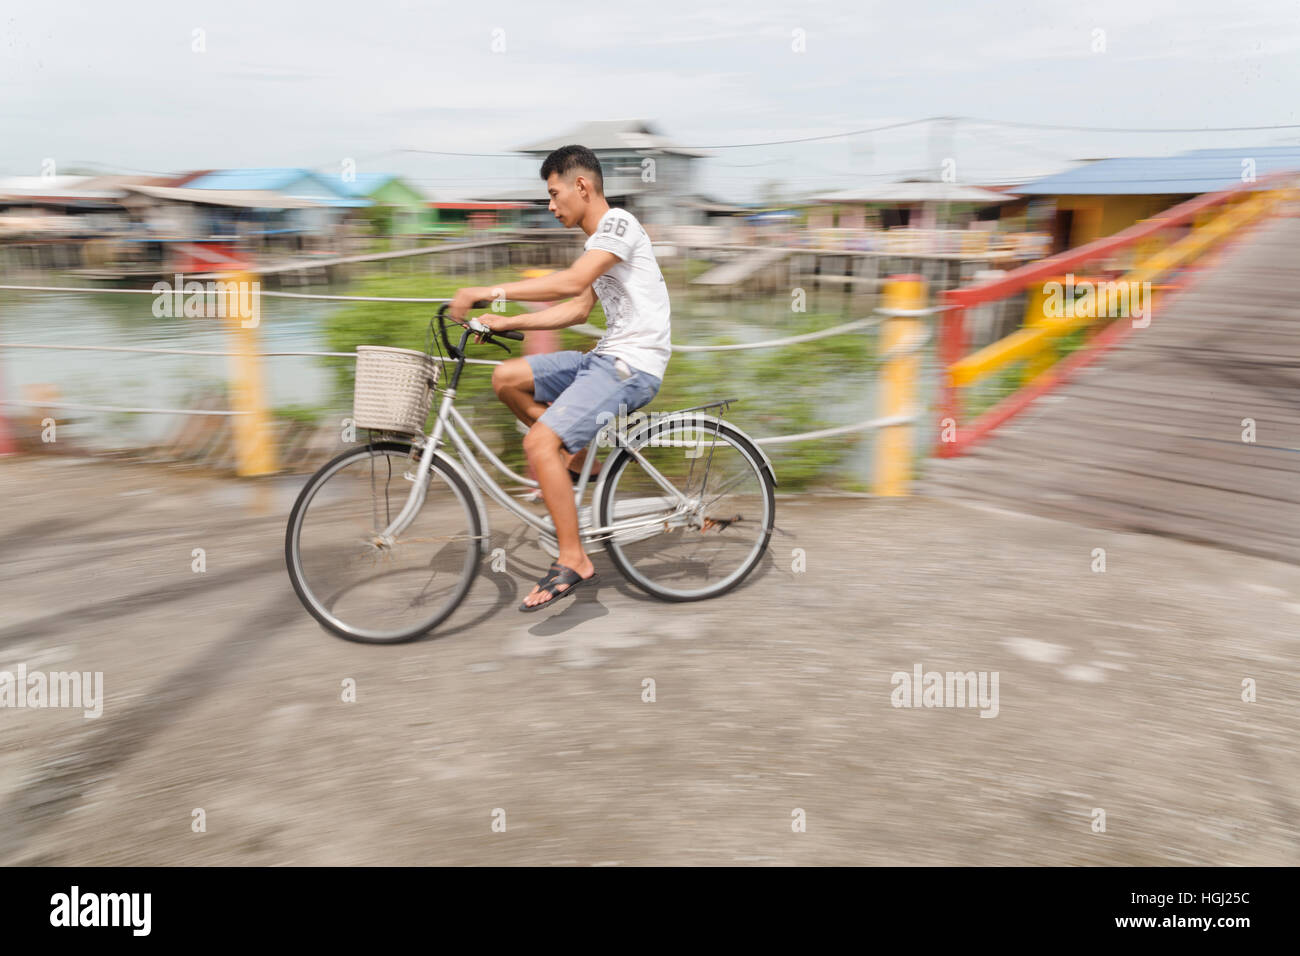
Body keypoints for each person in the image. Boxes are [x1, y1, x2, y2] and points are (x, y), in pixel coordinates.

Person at [448, 144, 671, 612]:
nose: (551, 207)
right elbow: (576, 308)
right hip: (605, 356)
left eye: (553, 195)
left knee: (537, 444)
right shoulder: (599, 241)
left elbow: (570, 284)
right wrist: (504, 323)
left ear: (582, 187)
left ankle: (574, 558)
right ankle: (576, 463)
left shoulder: (618, 225)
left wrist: (488, 292)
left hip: (632, 366)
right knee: (507, 379)